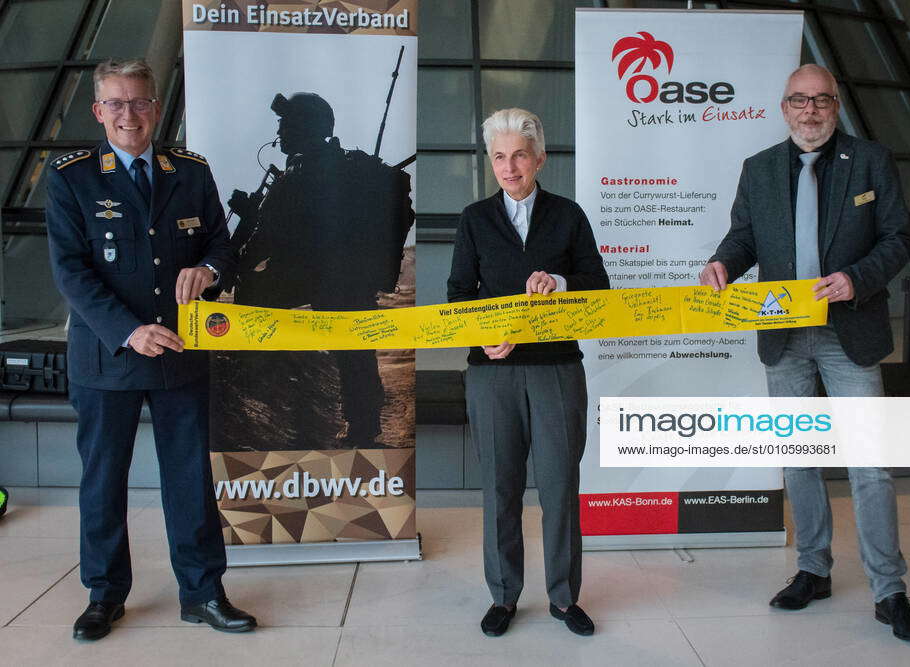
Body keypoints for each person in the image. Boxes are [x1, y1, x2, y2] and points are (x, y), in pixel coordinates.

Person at [699, 64, 910, 643]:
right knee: (799, 457)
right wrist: (723, 262)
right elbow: (743, 235)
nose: (811, 110)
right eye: (800, 101)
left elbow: (898, 238)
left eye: (822, 99)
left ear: (835, 105)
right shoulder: (760, 168)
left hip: (849, 329)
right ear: (784, 108)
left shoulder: (872, 160)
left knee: (868, 463)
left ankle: (889, 589)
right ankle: (814, 569)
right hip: (784, 333)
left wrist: (857, 278)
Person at [46, 59, 255, 640]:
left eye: (139, 102)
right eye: (115, 103)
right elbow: (71, 272)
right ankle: (104, 595)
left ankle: (203, 593)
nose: (128, 114)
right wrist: (128, 330)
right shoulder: (71, 177)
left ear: (156, 107)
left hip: (181, 352)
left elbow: (221, 240)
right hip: (106, 356)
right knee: (103, 479)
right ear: (98, 111)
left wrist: (210, 269)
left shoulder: (189, 170)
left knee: (189, 477)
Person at [448, 108, 609, 638]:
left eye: (519, 155)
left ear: (539, 158)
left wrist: (561, 283)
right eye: (499, 156)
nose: (510, 167)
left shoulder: (568, 215)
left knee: (561, 486)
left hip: (557, 368)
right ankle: (503, 596)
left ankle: (564, 599)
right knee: (500, 487)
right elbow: (457, 296)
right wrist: (480, 335)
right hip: (492, 372)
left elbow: (598, 287)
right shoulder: (474, 219)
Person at [227, 92, 413, 446]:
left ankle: (257, 389)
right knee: (355, 352)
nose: (279, 131)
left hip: (311, 276)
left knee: (254, 294)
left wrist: (240, 255)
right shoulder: (350, 165)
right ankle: (364, 426)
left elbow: (265, 239)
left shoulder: (300, 173)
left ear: (303, 127)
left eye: (285, 123)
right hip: (349, 279)